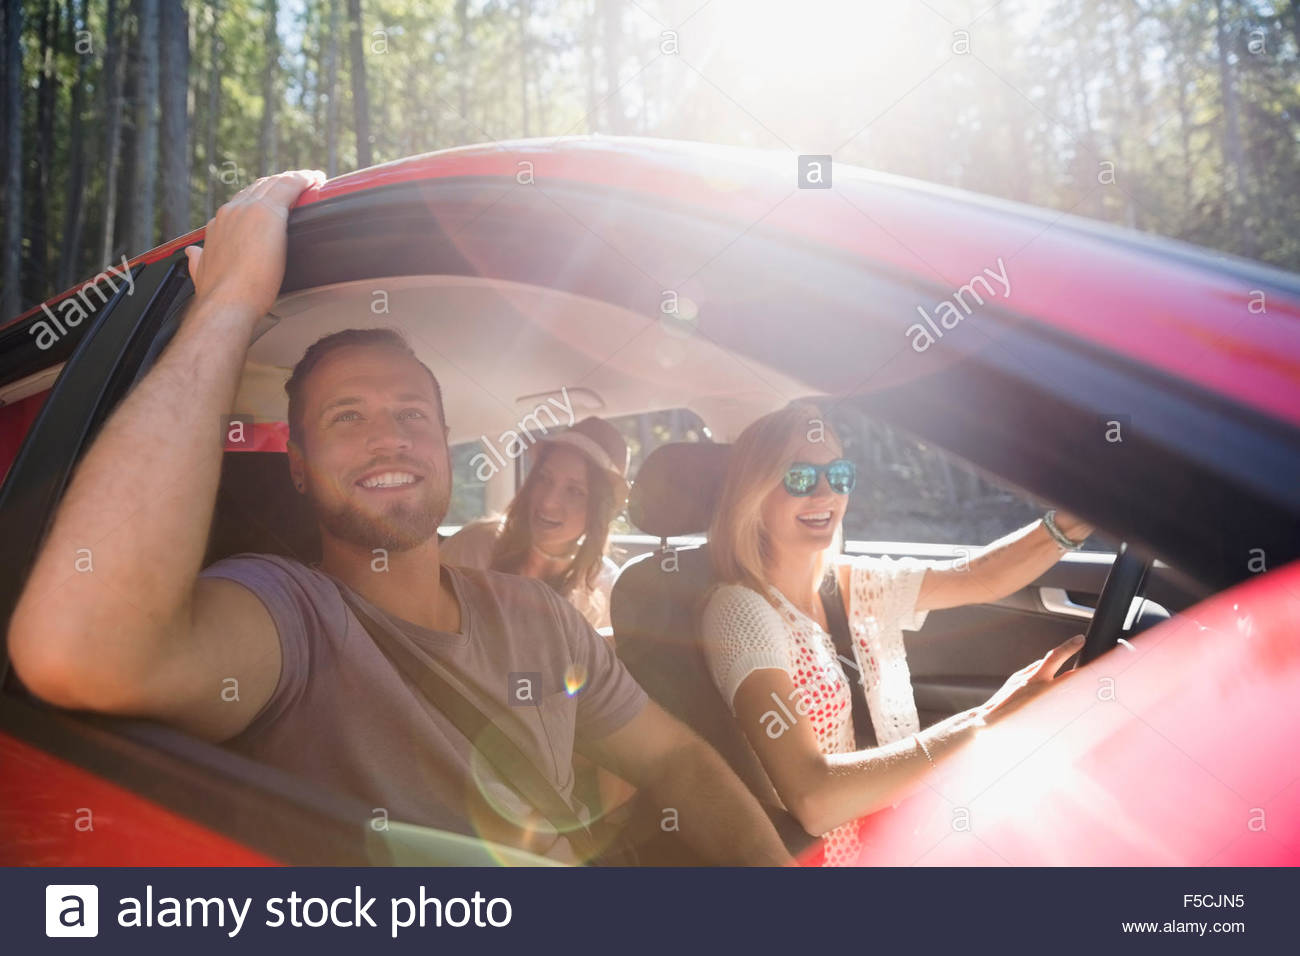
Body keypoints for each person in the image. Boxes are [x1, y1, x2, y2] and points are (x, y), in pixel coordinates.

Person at [7, 170, 791, 866]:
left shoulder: (541, 618)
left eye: (413, 414)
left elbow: (680, 763)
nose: (389, 435)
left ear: (446, 450)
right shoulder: (288, 615)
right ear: (300, 470)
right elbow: (81, 650)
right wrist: (231, 301)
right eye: (347, 418)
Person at [701, 403, 1092, 866]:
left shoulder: (852, 584)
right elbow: (813, 799)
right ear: (753, 493)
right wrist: (987, 719)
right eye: (800, 478)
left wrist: (1076, 521)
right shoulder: (741, 611)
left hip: (909, 838)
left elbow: (980, 576)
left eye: (839, 475)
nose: (826, 492)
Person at [442, 416, 627, 631]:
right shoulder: (474, 547)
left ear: (599, 509)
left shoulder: (603, 585)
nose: (548, 501)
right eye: (544, 478)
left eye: (575, 491)